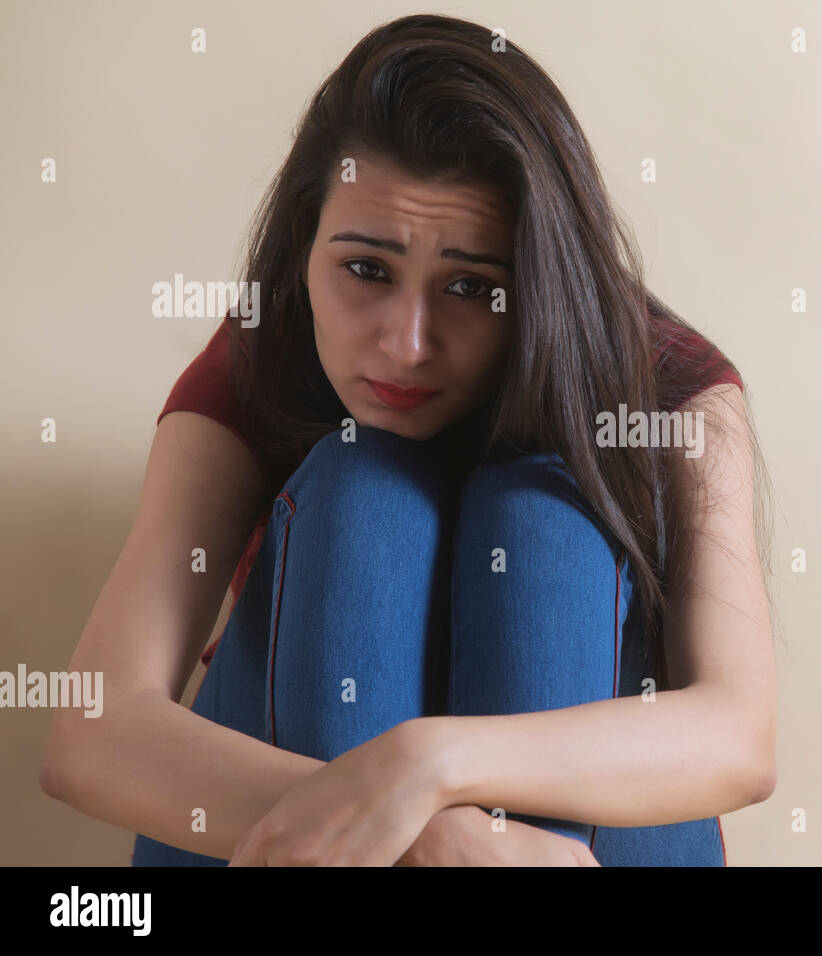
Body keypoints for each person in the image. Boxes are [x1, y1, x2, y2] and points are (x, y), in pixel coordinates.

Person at [40, 13, 776, 866]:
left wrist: (425, 764)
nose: (406, 342)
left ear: (536, 279)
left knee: (541, 513)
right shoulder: (260, 351)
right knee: (365, 494)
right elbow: (91, 732)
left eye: (470, 285)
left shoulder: (667, 388)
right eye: (365, 270)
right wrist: (420, 834)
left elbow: (738, 737)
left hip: (576, 845)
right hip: (289, 828)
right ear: (302, 245)